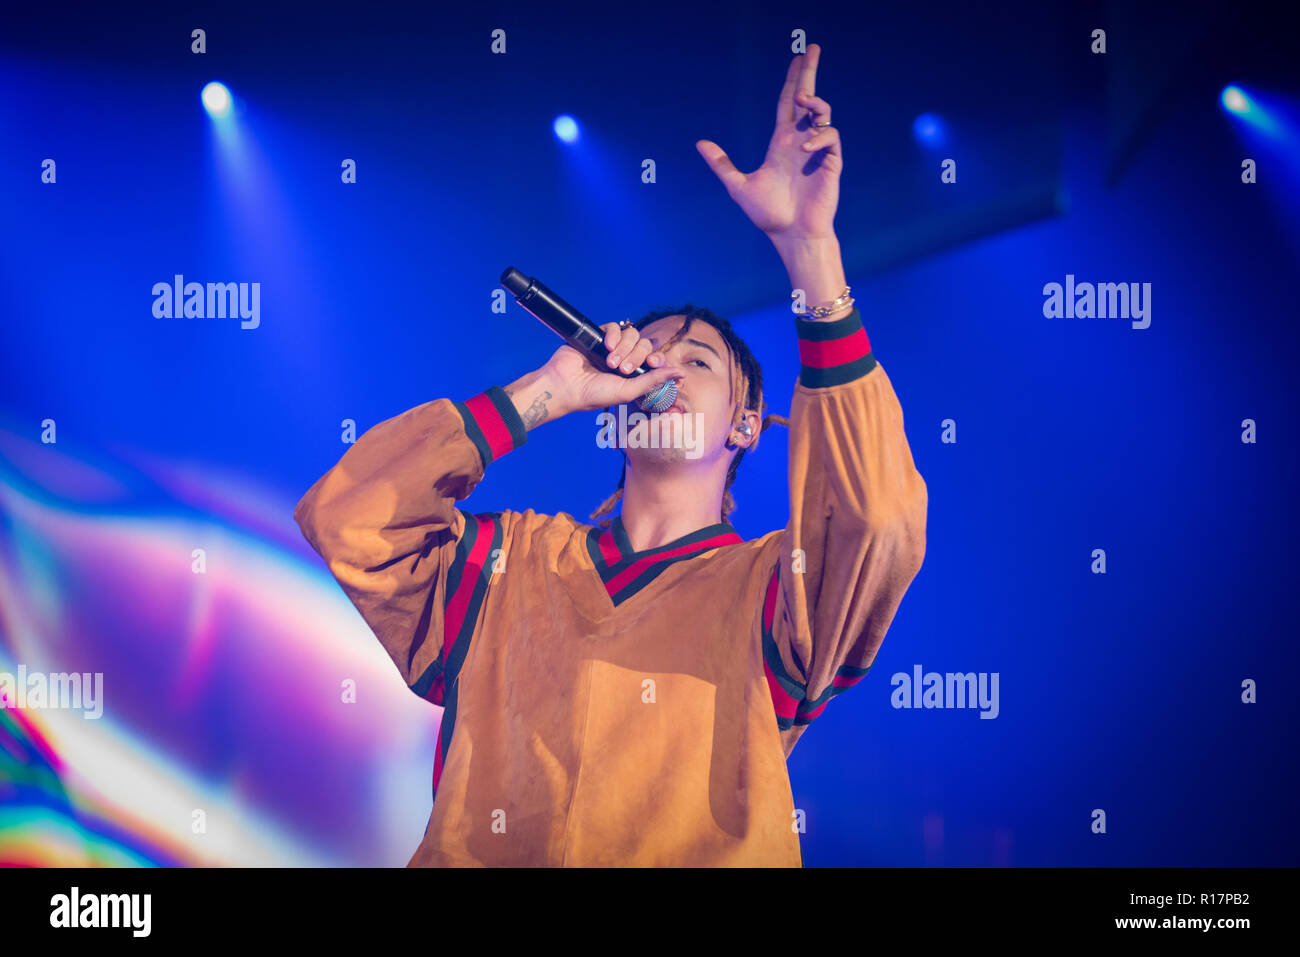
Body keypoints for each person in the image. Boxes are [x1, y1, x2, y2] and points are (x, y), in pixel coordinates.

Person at [294, 44, 928, 866]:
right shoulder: (507, 563)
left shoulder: (777, 595)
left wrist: (810, 248)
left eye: (696, 361)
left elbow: (877, 517)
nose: (660, 365)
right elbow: (345, 518)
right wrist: (548, 393)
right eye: (647, 351)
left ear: (745, 424)